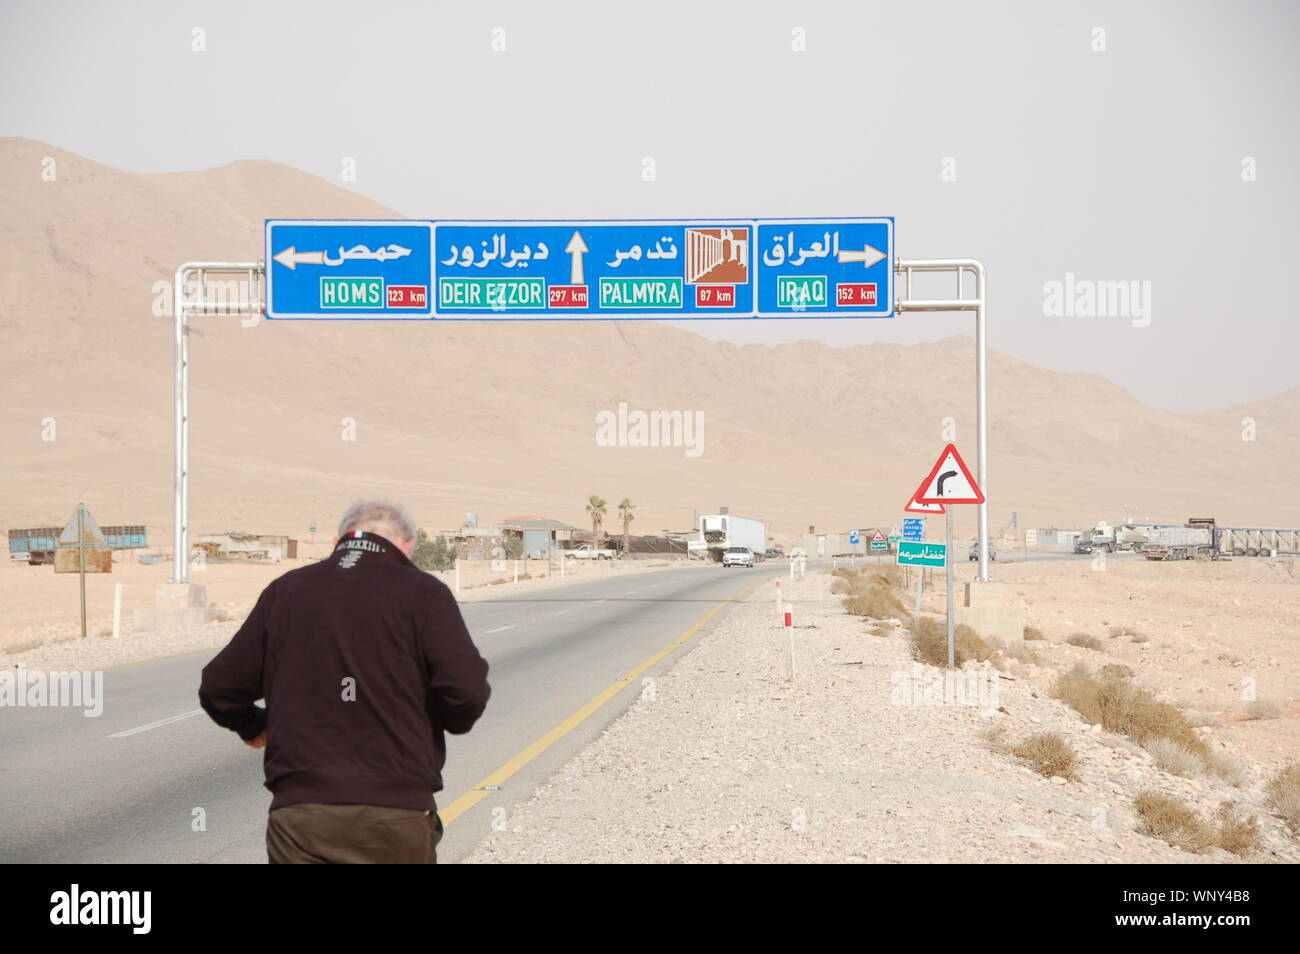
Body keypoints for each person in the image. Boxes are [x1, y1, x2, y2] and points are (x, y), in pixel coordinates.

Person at [198, 500, 490, 863]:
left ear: (337, 541)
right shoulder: (424, 593)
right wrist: (449, 722)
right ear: (408, 546)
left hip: (302, 816)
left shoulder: (286, 591)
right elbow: (466, 690)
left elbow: (219, 686)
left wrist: (254, 725)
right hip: (396, 813)